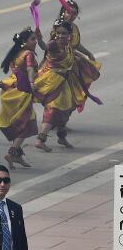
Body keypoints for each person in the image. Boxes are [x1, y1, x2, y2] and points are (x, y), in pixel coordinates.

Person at [32, 19, 89, 152]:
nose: (61, 36)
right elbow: (44, 47)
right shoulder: (53, 44)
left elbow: (73, 54)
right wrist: (39, 39)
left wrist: (86, 56)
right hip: (53, 82)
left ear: (70, 35)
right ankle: (40, 140)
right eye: (58, 33)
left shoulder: (67, 46)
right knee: (53, 109)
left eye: (64, 33)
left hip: (65, 83)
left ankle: (61, 137)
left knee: (66, 110)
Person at [0, 27, 40, 169]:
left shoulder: (17, 53)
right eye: (33, 39)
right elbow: (29, 69)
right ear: (24, 42)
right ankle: (12, 152)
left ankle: (17, 155)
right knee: (27, 123)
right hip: (24, 90)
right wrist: (32, 82)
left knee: (23, 121)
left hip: (14, 89)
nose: (36, 41)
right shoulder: (28, 54)